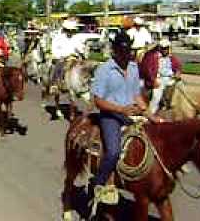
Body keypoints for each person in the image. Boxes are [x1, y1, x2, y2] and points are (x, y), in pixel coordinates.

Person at [90, 32, 148, 213]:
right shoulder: (104, 69)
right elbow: (97, 101)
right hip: (110, 115)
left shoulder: (133, 67)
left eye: (128, 50)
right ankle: (99, 183)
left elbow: (136, 95)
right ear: (115, 50)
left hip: (131, 113)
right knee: (114, 151)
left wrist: (150, 113)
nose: (126, 54)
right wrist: (122, 110)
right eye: (122, 50)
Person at [139, 38, 182, 114]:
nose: (165, 50)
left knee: (181, 86)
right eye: (163, 48)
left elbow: (177, 66)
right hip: (159, 79)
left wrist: (178, 73)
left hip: (170, 78)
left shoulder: (171, 57)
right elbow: (148, 70)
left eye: (166, 48)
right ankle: (151, 113)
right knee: (156, 95)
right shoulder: (153, 57)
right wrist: (153, 80)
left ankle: (172, 107)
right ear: (160, 48)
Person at [50, 20, 85, 85]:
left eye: (72, 30)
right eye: (68, 30)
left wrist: (81, 53)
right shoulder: (58, 38)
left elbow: (80, 48)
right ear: (65, 30)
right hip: (63, 58)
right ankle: (55, 84)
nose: (70, 32)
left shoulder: (76, 38)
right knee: (58, 67)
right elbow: (54, 49)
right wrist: (60, 56)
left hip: (75, 58)